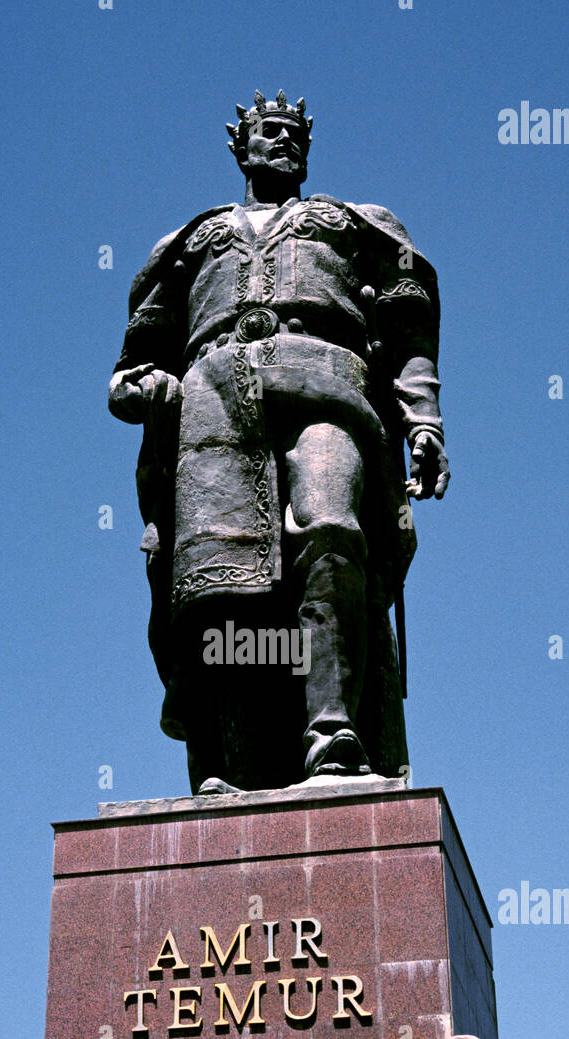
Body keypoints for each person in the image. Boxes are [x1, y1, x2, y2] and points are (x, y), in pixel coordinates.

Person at [108, 91, 449, 794]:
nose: (284, 142)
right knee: (219, 584)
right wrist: (139, 386)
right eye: (269, 131)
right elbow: (139, 355)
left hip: (329, 380)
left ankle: (331, 734)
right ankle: (234, 760)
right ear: (241, 145)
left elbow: (410, 322)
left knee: (331, 528)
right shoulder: (190, 242)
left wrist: (423, 420)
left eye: (295, 133)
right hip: (211, 404)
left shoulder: (351, 224)